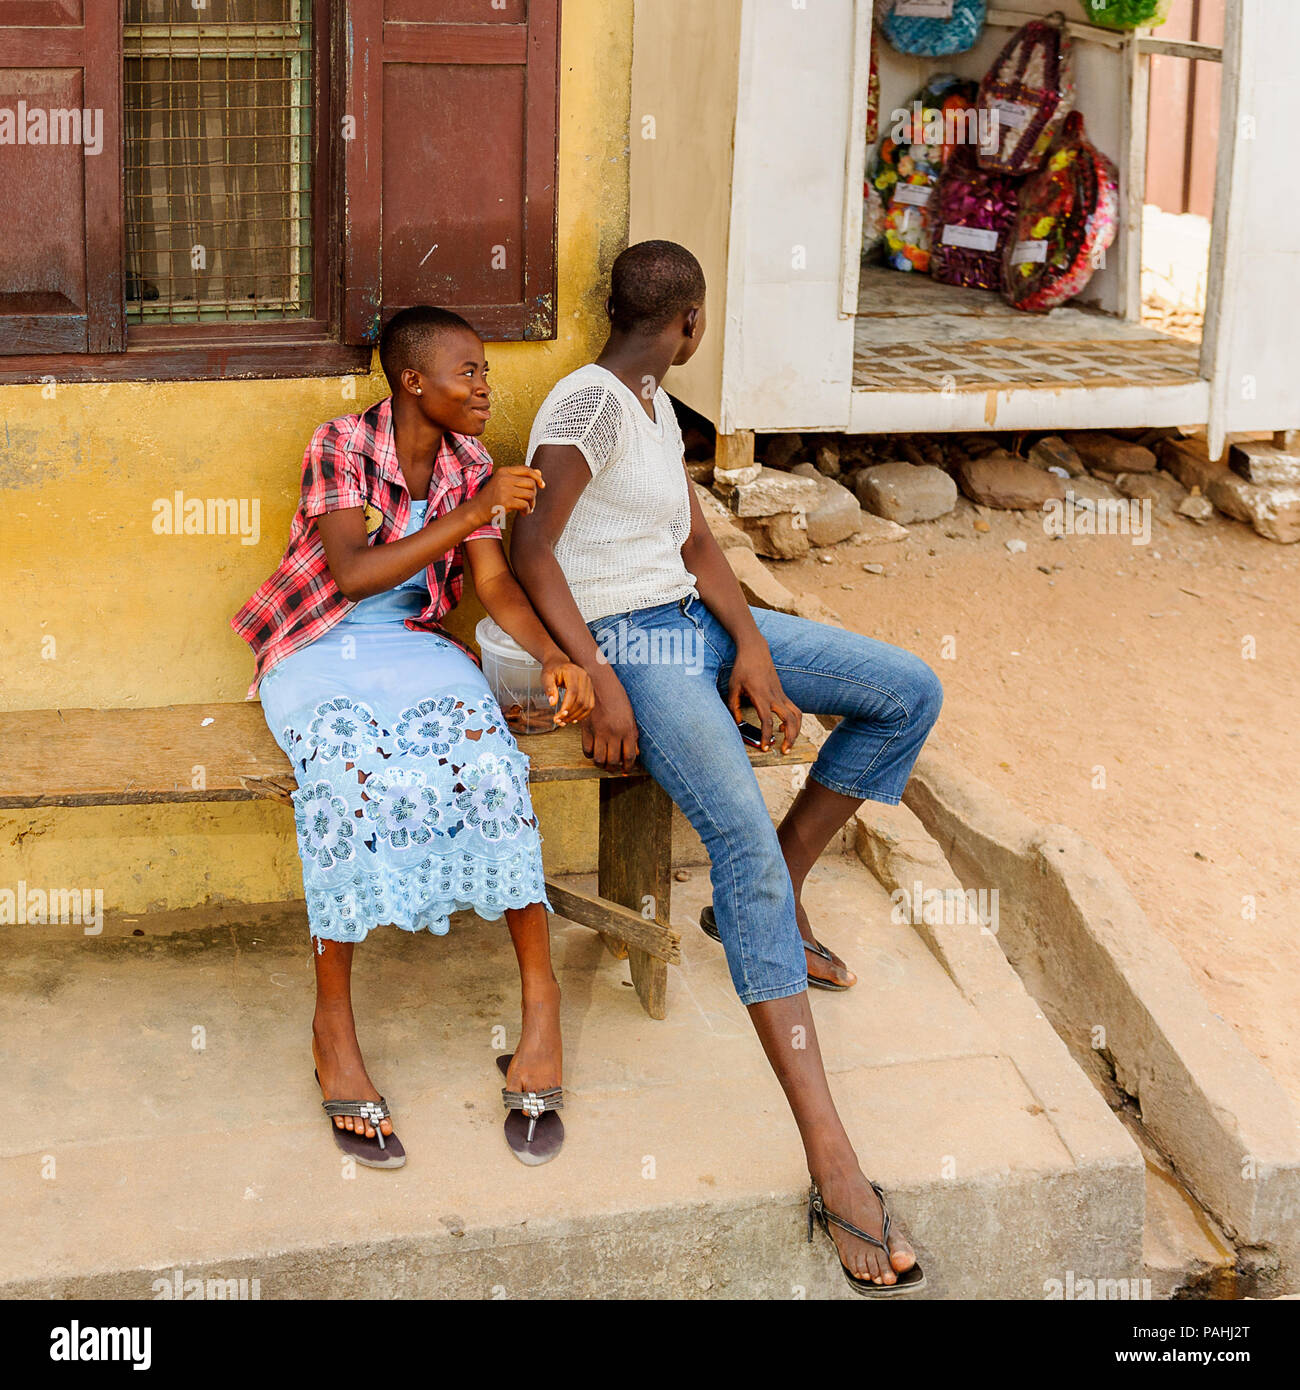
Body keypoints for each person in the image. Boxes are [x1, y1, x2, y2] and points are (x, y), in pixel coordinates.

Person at [510, 242, 944, 1293]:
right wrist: (599, 676)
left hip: (694, 629)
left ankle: (776, 896)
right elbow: (530, 550)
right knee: (739, 843)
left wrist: (751, 646)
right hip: (633, 645)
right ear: (690, 323)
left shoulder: (654, 406)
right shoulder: (589, 406)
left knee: (905, 691)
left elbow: (697, 546)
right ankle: (833, 1161)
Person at [232, 306, 590, 1169]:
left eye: (487, 374)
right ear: (411, 380)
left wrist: (553, 655)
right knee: (346, 784)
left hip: (417, 649)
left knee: (493, 769)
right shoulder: (341, 444)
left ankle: (540, 1015)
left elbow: (495, 584)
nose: (484, 388)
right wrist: (471, 516)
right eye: (468, 372)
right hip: (321, 645)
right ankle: (333, 1030)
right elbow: (353, 574)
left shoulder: (470, 464)